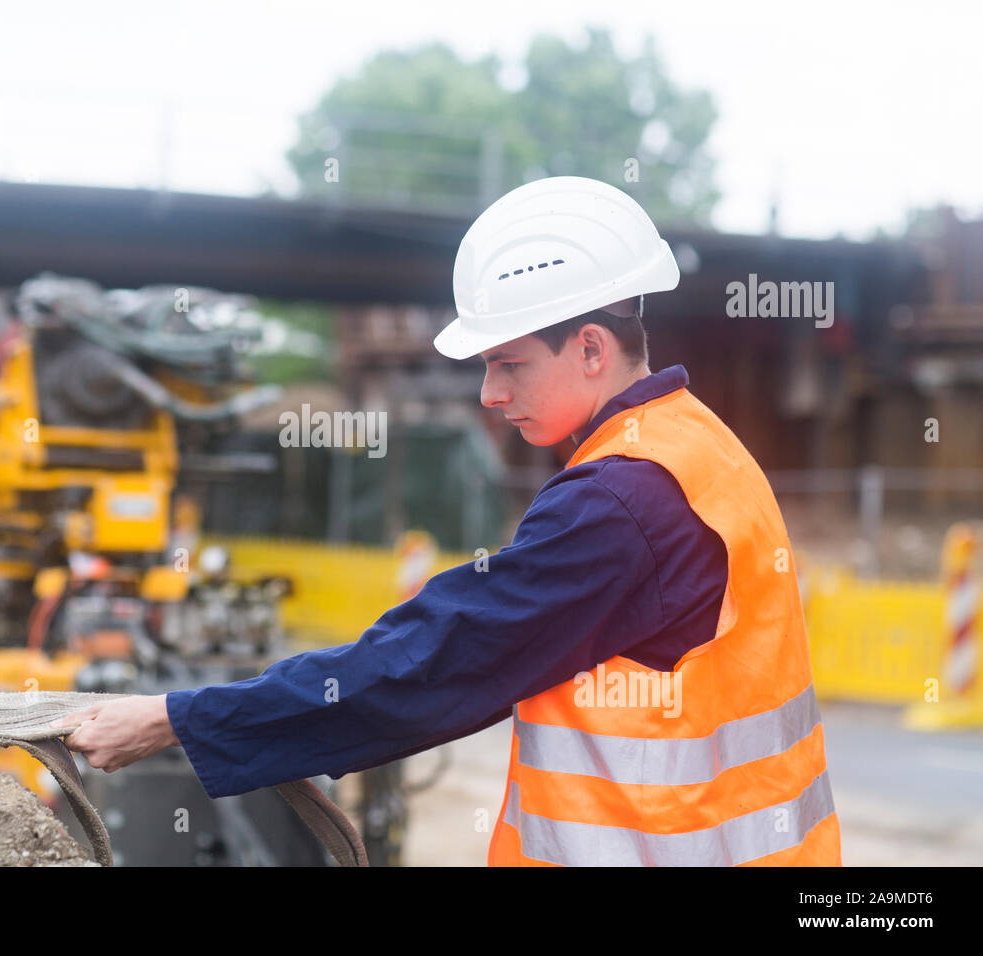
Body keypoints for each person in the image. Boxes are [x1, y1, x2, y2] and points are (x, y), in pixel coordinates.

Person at [52, 176, 842, 866]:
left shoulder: (623, 503)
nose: (490, 394)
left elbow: (435, 662)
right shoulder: (696, 443)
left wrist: (176, 719)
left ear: (592, 348)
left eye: (509, 363)